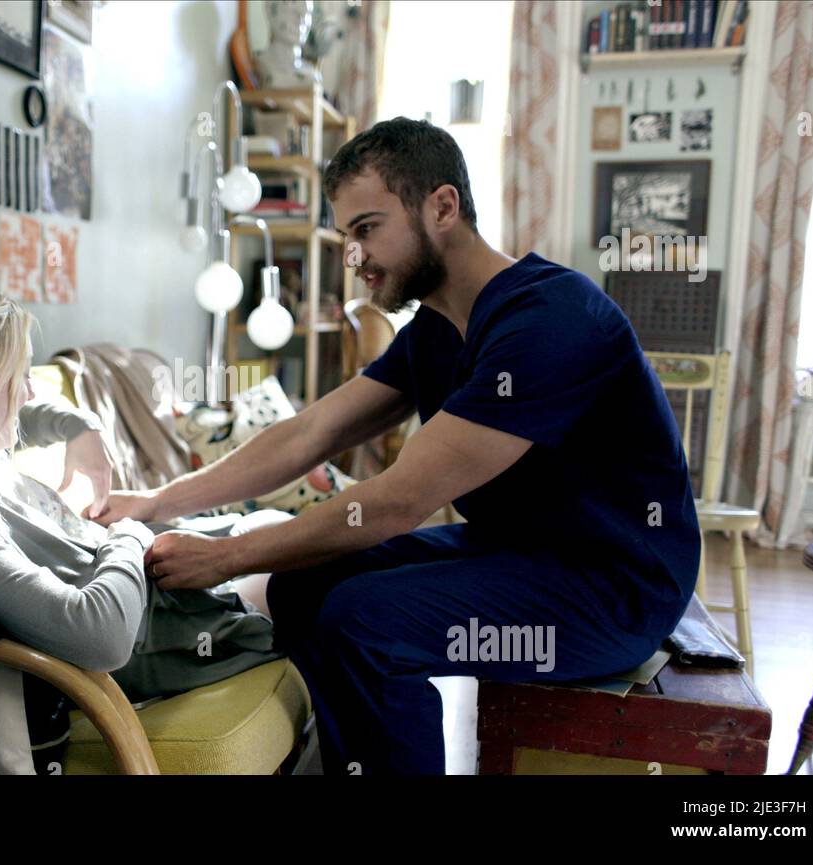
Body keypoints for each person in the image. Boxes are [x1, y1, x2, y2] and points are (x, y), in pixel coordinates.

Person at [90, 117, 702, 775]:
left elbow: (397, 501)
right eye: (345, 236)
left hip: (616, 586)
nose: (353, 257)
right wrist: (157, 500)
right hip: (519, 551)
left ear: (442, 207)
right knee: (301, 589)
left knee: (366, 618)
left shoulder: (552, 319)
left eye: (366, 229)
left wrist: (228, 556)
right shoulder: (436, 330)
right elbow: (309, 432)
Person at [0, 277, 282, 770]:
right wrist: (128, 532)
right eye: (20, 373)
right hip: (166, 619)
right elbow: (97, 636)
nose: (28, 391)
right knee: (328, 571)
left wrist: (83, 428)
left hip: (156, 573)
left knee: (288, 530)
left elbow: (38, 412)